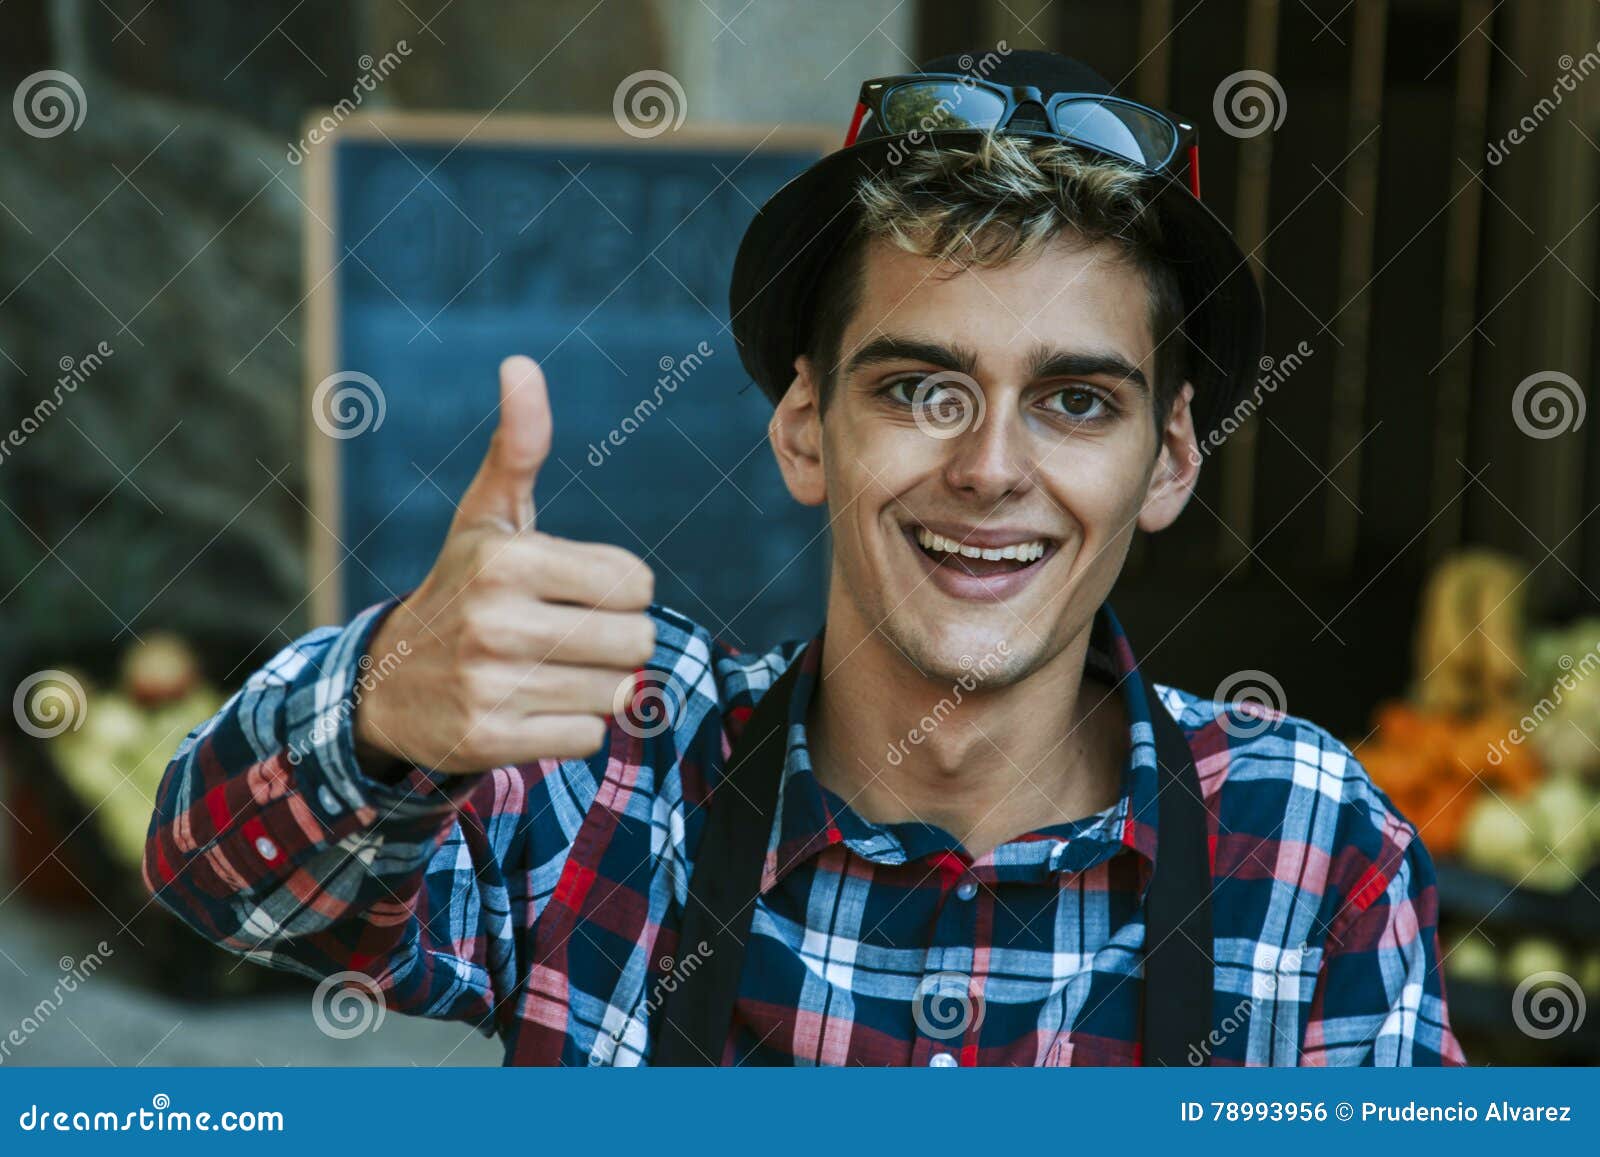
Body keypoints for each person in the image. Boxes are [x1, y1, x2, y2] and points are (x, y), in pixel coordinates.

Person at [143, 49, 1462, 1066]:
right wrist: (380, 701)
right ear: (802, 429)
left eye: (1076, 400)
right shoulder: (611, 766)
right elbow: (224, 882)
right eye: (919, 387)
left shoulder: (1307, 845)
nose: (992, 466)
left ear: (1168, 460)